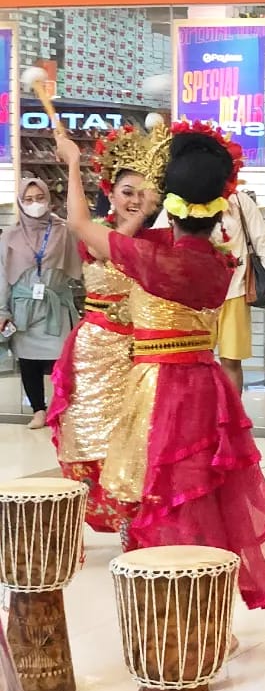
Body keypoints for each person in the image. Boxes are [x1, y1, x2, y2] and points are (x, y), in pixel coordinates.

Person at [57, 120, 265, 610]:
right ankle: (207, 598)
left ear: (168, 206)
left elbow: (82, 227)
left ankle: (173, 599)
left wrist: (70, 162)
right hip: (206, 384)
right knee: (204, 493)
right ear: (218, 211)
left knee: (166, 490)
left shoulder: (149, 254)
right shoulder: (218, 263)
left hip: (158, 386)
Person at [48, 124, 169, 532]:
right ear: (111, 195)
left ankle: (136, 516)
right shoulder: (95, 235)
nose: (135, 200)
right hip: (96, 348)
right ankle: (107, 513)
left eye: (143, 192)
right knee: (90, 430)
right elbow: (112, 242)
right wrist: (73, 162)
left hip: (141, 350)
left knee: (140, 434)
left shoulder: (157, 241)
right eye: (127, 192)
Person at [0, 178, 81, 429]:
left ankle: (62, 407)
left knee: (62, 359)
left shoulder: (63, 230)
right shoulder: (10, 236)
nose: (35, 204)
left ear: (48, 199)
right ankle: (38, 410)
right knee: (28, 360)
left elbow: (79, 262)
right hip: (24, 306)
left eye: (39, 198)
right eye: (28, 200)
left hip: (54, 303)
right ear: (21, 203)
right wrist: (2, 310)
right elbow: (2, 274)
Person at [216, 189, 265, 393]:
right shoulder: (183, 199)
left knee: (231, 361)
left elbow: (261, 241)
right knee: (195, 361)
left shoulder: (239, 200)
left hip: (234, 290)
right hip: (196, 296)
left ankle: (233, 421)